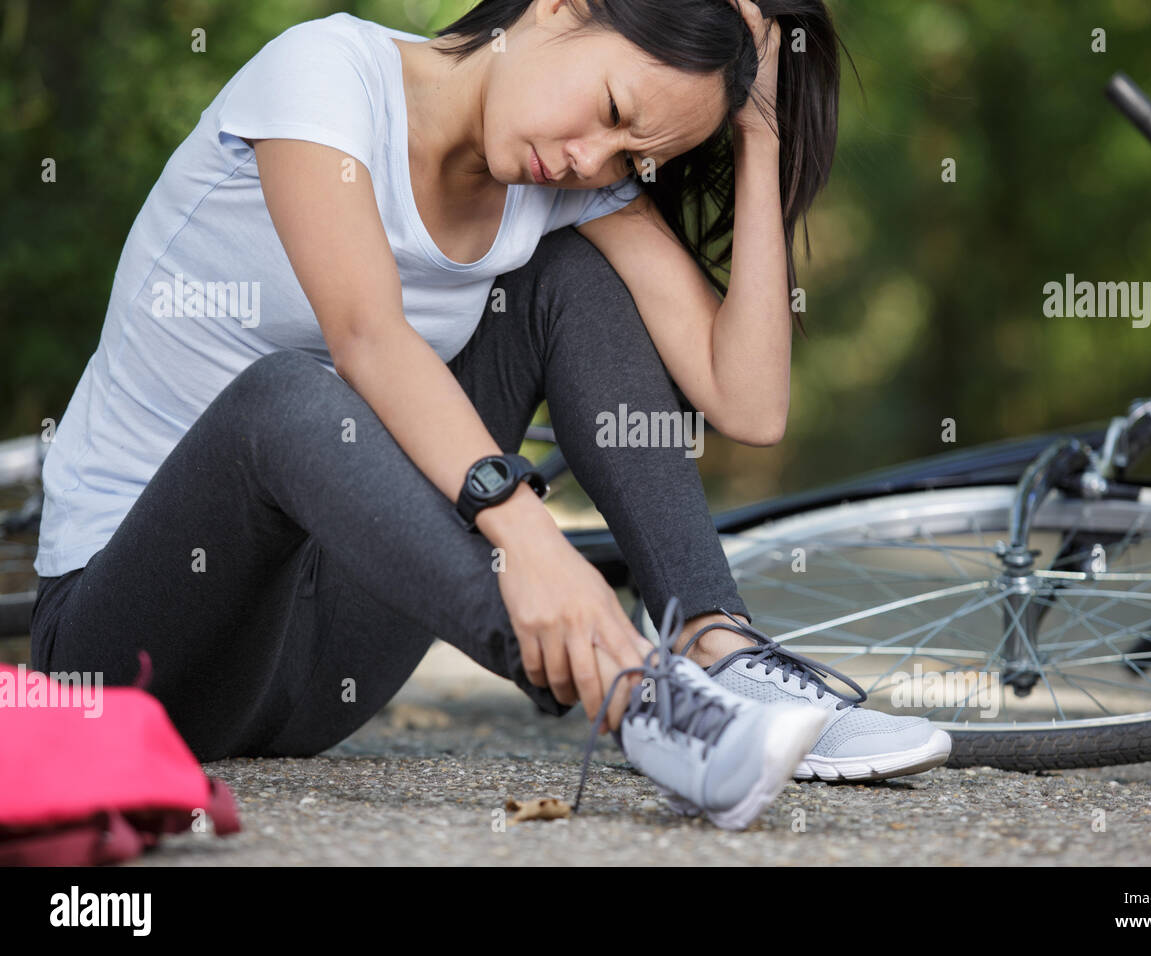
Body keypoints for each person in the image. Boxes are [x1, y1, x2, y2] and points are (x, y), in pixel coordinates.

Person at [29, 0, 949, 829]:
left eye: (633, 155)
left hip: (323, 662)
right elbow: (369, 338)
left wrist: (761, 139)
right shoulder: (324, 76)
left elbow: (748, 401)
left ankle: (716, 651)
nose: (595, 158)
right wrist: (534, 545)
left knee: (569, 278)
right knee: (285, 394)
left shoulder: (559, 185)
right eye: (616, 110)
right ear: (558, 7)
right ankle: (642, 703)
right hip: (135, 648)